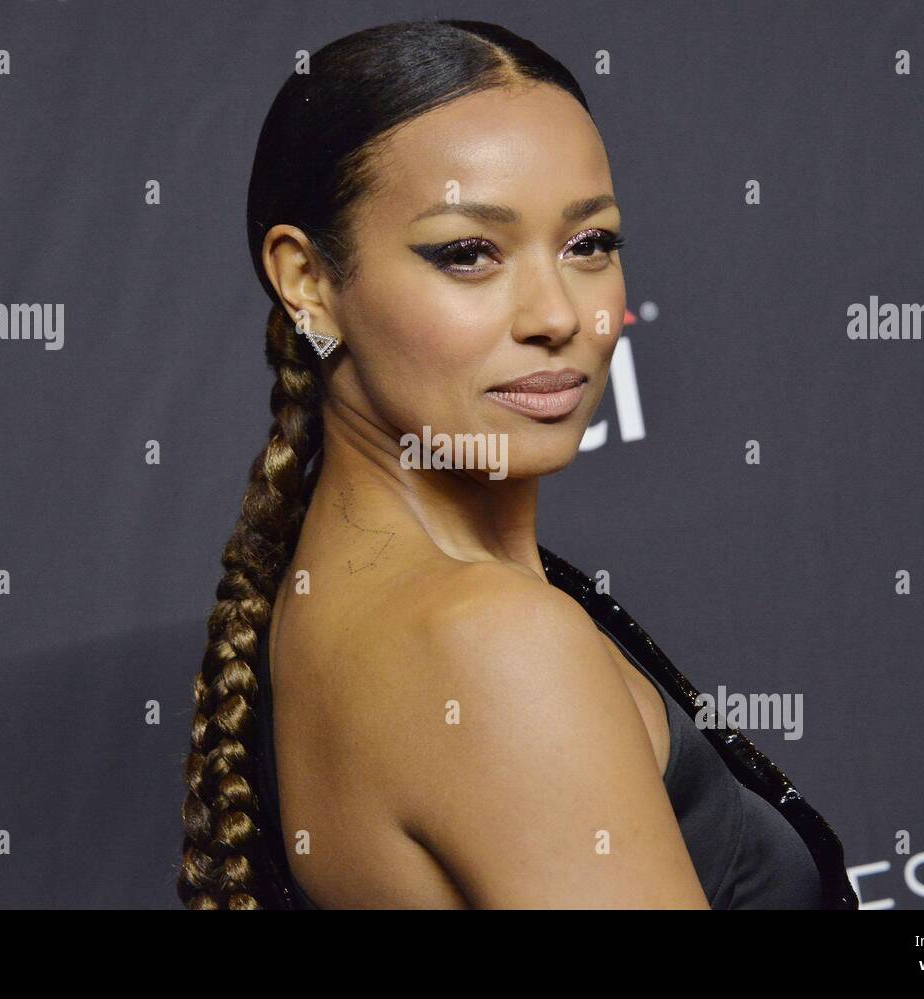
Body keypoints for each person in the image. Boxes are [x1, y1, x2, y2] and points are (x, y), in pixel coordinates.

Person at [177, 18, 857, 910]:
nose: (557, 314)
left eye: (590, 245)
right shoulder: (491, 645)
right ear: (308, 280)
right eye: (468, 253)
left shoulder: (332, 606)